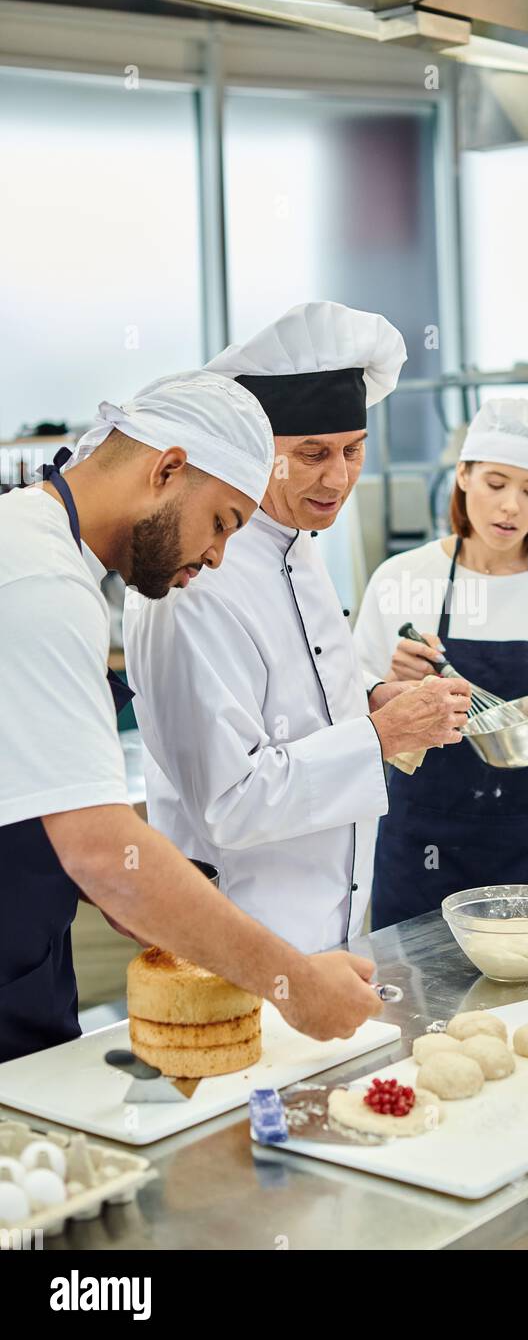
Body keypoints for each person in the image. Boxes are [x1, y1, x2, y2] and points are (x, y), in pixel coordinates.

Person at [0, 367, 382, 1064]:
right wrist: (294, 984)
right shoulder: (40, 581)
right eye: (222, 523)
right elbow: (96, 845)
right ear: (168, 470)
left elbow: (50, 819)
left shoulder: (39, 550)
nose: (215, 556)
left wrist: (140, 898)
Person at [122, 302, 470, 950]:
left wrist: (366, 701)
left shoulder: (298, 539)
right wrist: (380, 737)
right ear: (258, 450)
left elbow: (289, 707)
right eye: (312, 453)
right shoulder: (196, 575)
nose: (338, 478)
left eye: (353, 451)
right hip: (238, 944)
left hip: (331, 933)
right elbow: (233, 800)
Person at [354, 397, 528, 928]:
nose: (511, 508)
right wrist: (390, 684)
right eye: (495, 484)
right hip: (424, 854)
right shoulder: (401, 579)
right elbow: (352, 723)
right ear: (462, 475)